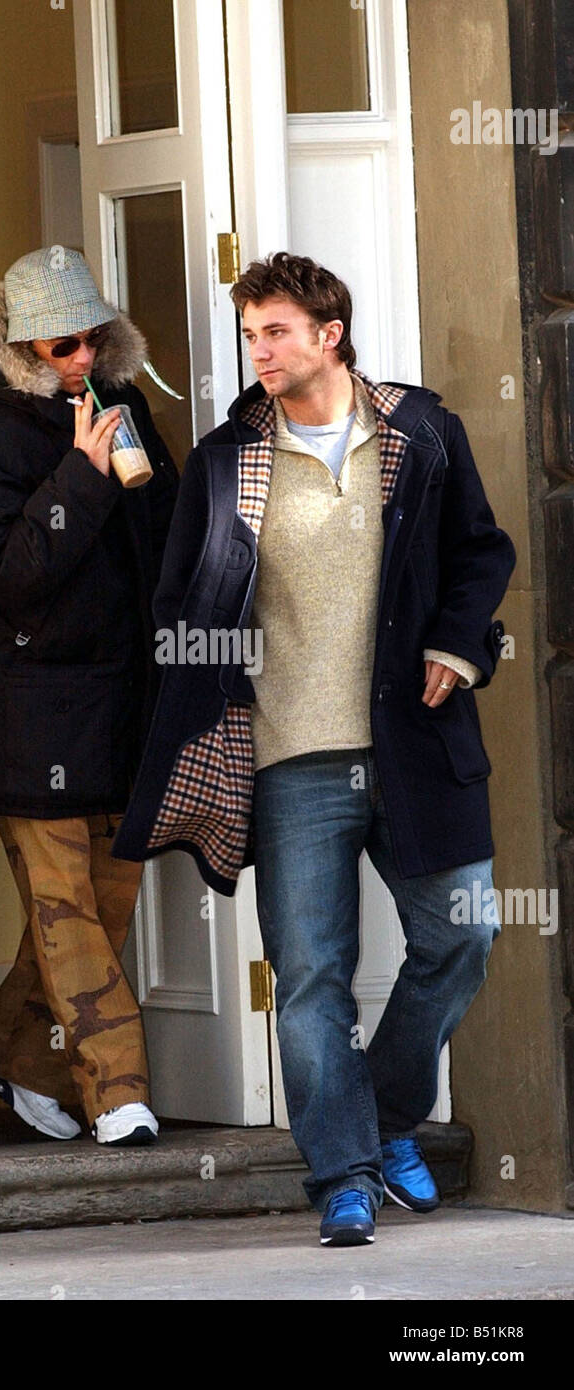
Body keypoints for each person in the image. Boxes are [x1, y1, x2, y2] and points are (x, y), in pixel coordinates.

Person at [112, 252, 516, 1242]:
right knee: (310, 982)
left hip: (418, 743)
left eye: (276, 330)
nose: (261, 349)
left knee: (465, 935)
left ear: (329, 334)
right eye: (251, 333)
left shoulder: (420, 431)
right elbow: (180, 604)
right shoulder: (223, 461)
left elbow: (482, 551)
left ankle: (379, 1120)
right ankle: (341, 1174)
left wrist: (461, 647)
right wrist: (210, 696)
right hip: (291, 757)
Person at [0, 247, 178, 1146]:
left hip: (122, 704)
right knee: (64, 911)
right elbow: (6, 577)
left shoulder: (123, 407)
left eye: (94, 341)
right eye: (60, 346)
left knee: (104, 904)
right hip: (29, 713)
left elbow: (162, 541)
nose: (79, 359)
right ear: (20, 346)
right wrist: (80, 476)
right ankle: (118, 1093)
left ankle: (13, 1051)